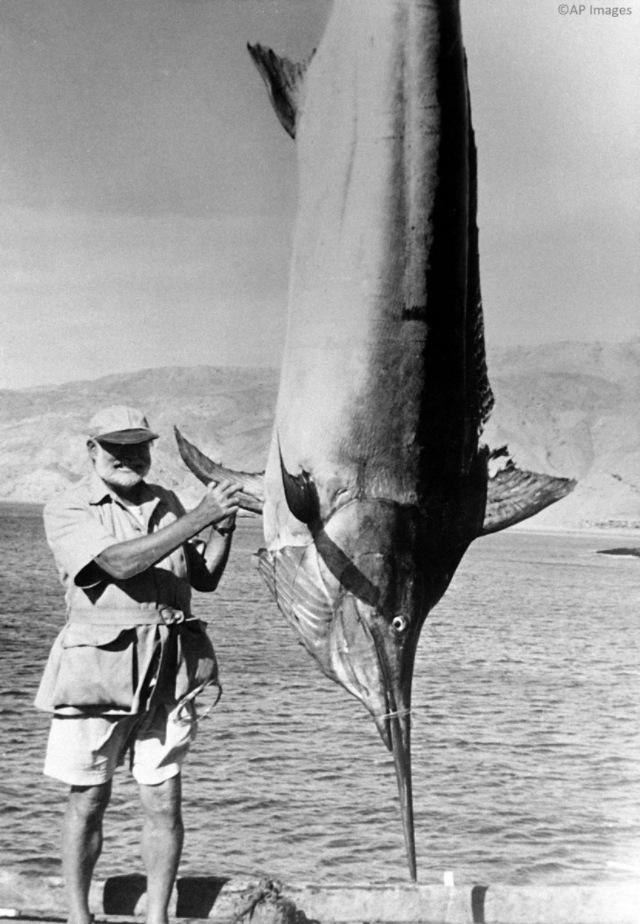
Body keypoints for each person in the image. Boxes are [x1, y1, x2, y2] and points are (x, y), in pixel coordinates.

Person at [35, 405, 241, 924]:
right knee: (88, 798)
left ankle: (157, 918)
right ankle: (78, 917)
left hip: (170, 670)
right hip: (97, 669)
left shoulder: (167, 501)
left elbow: (203, 578)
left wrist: (222, 527)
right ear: (92, 450)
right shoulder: (67, 506)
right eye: (116, 447)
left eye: (138, 447)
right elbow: (118, 563)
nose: (129, 458)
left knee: (165, 800)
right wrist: (199, 516)